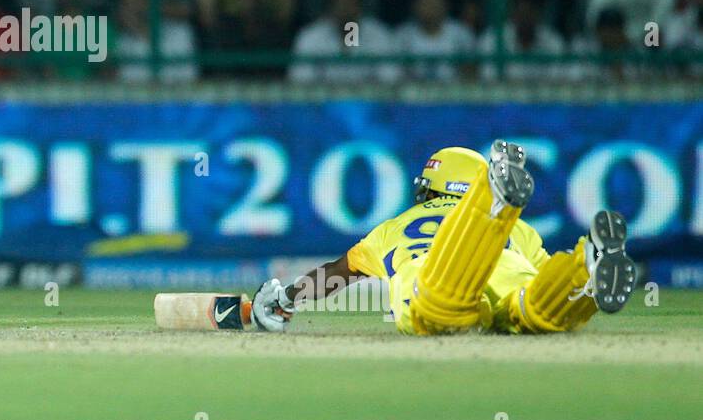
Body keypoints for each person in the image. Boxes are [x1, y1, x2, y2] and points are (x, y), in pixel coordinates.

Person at [250, 143, 638, 336]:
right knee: (529, 308)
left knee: (443, 307)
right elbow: (538, 269)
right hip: (505, 262)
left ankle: (489, 203)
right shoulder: (520, 229)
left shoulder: (394, 226)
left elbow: (336, 274)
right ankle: (581, 269)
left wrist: (287, 297)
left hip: (435, 278)